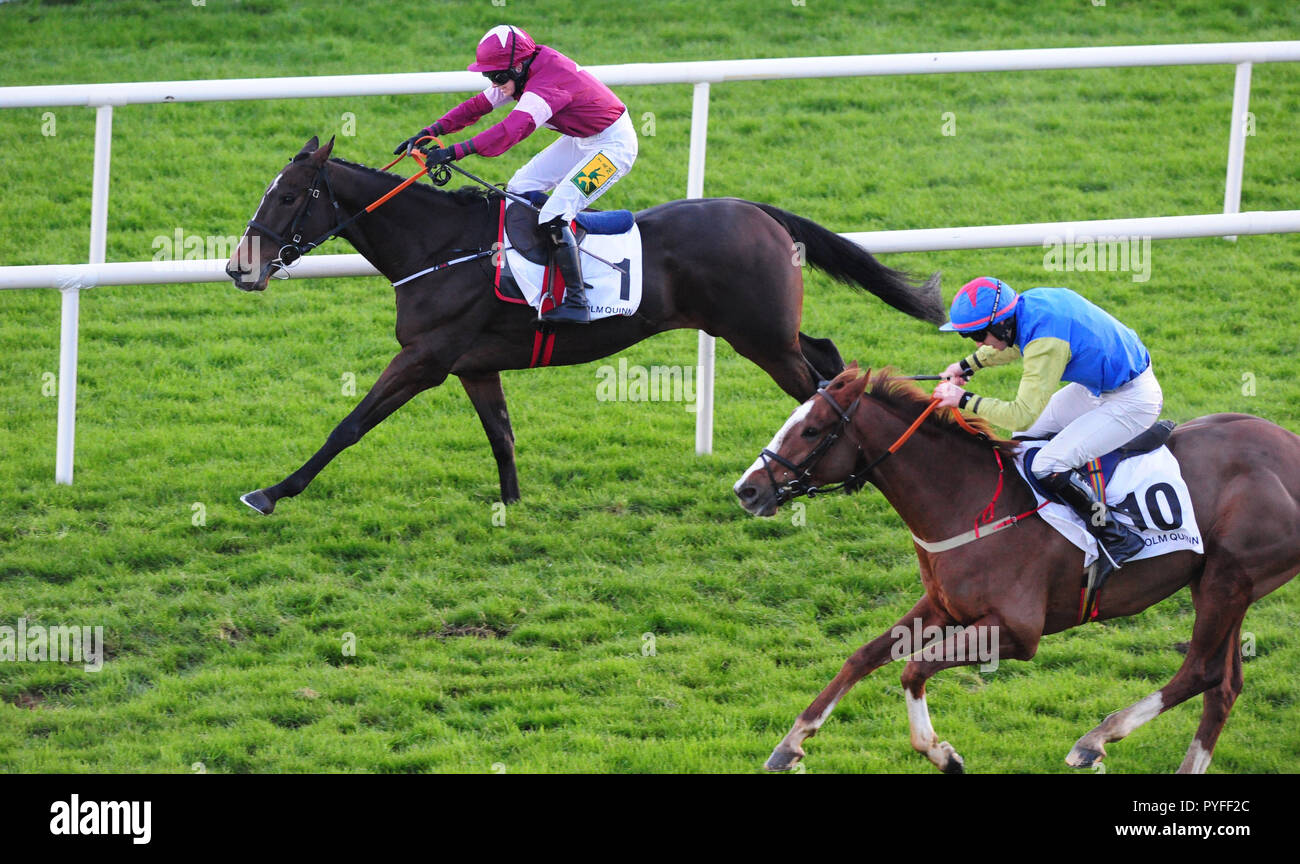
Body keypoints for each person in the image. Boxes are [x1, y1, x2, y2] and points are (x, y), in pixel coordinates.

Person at [394, 24, 637, 324]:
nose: (495, 84)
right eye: (488, 77)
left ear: (519, 66)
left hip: (613, 147)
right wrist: (431, 131)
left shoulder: (547, 84)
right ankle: (536, 261)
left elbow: (509, 132)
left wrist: (454, 152)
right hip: (582, 139)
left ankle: (577, 301)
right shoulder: (519, 72)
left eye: (497, 77)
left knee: (555, 213)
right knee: (521, 185)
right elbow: (476, 107)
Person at [932, 276, 1163, 580]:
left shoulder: (1046, 343)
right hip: (1097, 388)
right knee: (1023, 441)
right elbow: (1015, 344)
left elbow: (1021, 413)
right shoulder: (1028, 305)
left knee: (1046, 465)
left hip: (1133, 400)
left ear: (1001, 325)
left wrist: (963, 399)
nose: (976, 342)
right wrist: (967, 366)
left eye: (977, 334)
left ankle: (1116, 536)